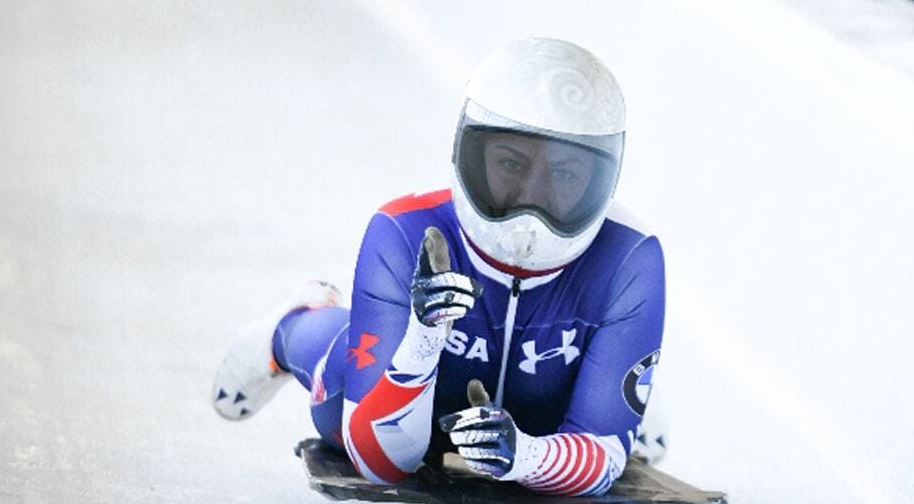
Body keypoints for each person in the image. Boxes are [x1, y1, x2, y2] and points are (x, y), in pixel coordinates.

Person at [212, 38, 665, 497]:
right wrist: (425, 339)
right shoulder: (405, 232)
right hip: (415, 406)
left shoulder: (631, 257)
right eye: (510, 163)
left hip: (544, 415)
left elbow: (601, 456)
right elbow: (380, 464)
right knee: (338, 390)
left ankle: (611, 372)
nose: (532, 196)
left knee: (609, 433)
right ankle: (293, 327)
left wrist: (527, 456)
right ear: (469, 153)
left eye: (564, 174)